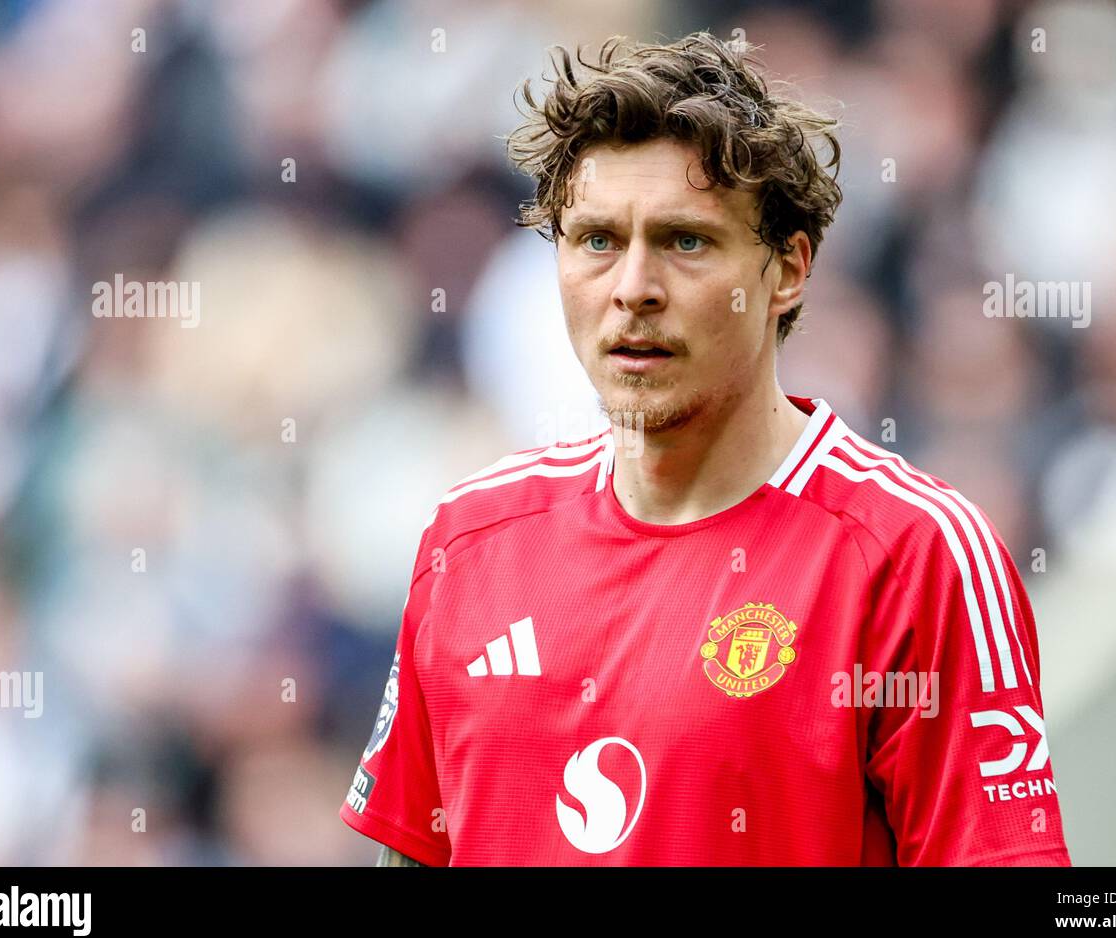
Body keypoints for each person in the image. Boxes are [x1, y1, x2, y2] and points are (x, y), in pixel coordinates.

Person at [339, 31, 1070, 866]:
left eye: (686, 240)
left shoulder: (918, 556)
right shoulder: (467, 543)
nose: (633, 289)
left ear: (787, 269)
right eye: (596, 241)